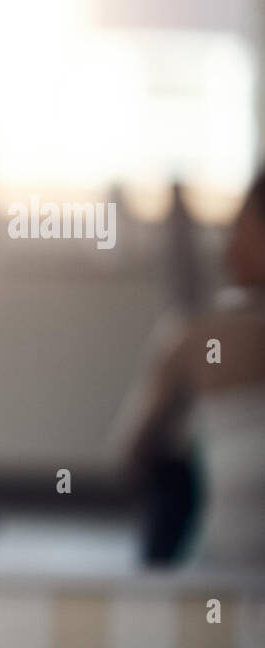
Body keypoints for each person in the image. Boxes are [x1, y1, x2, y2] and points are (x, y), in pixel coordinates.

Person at [110, 169, 265, 571]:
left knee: (172, 474)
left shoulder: (196, 337)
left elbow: (129, 454)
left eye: (240, 229)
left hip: (222, 577)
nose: (228, 248)